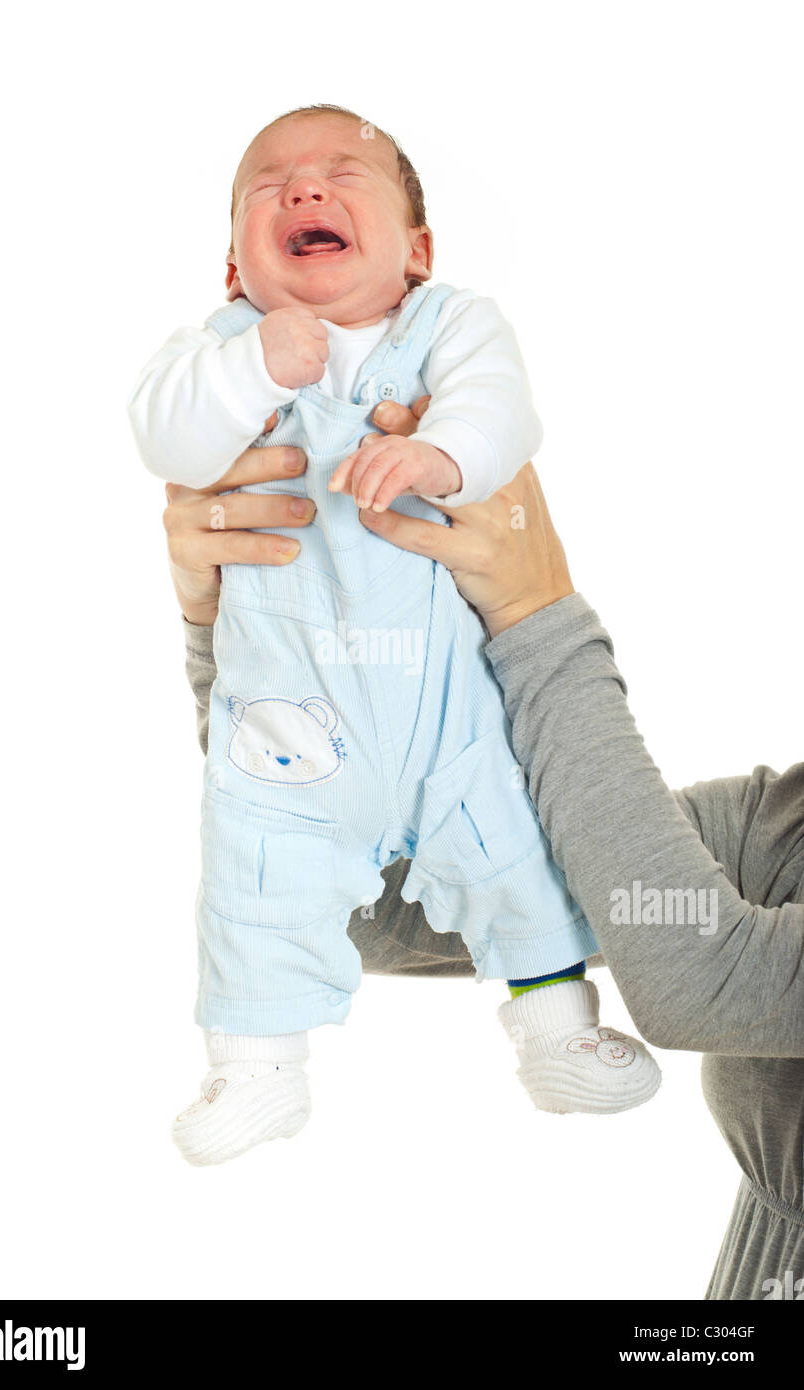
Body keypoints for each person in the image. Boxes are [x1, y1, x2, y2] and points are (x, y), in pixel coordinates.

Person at [162, 398, 803, 1300]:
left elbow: (701, 981)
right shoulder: (790, 823)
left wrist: (537, 615)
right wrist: (249, 633)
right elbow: (387, 915)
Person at [128, 101, 659, 1165]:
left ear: (416, 250)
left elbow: (504, 410)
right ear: (234, 265)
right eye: (268, 183)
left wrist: (439, 457)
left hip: (448, 708)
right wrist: (251, 371)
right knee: (252, 867)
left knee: (515, 841)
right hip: (286, 716)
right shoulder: (220, 349)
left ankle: (557, 1026)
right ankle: (255, 1064)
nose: (305, 189)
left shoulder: (450, 327)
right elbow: (164, 435)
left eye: (340, 173)